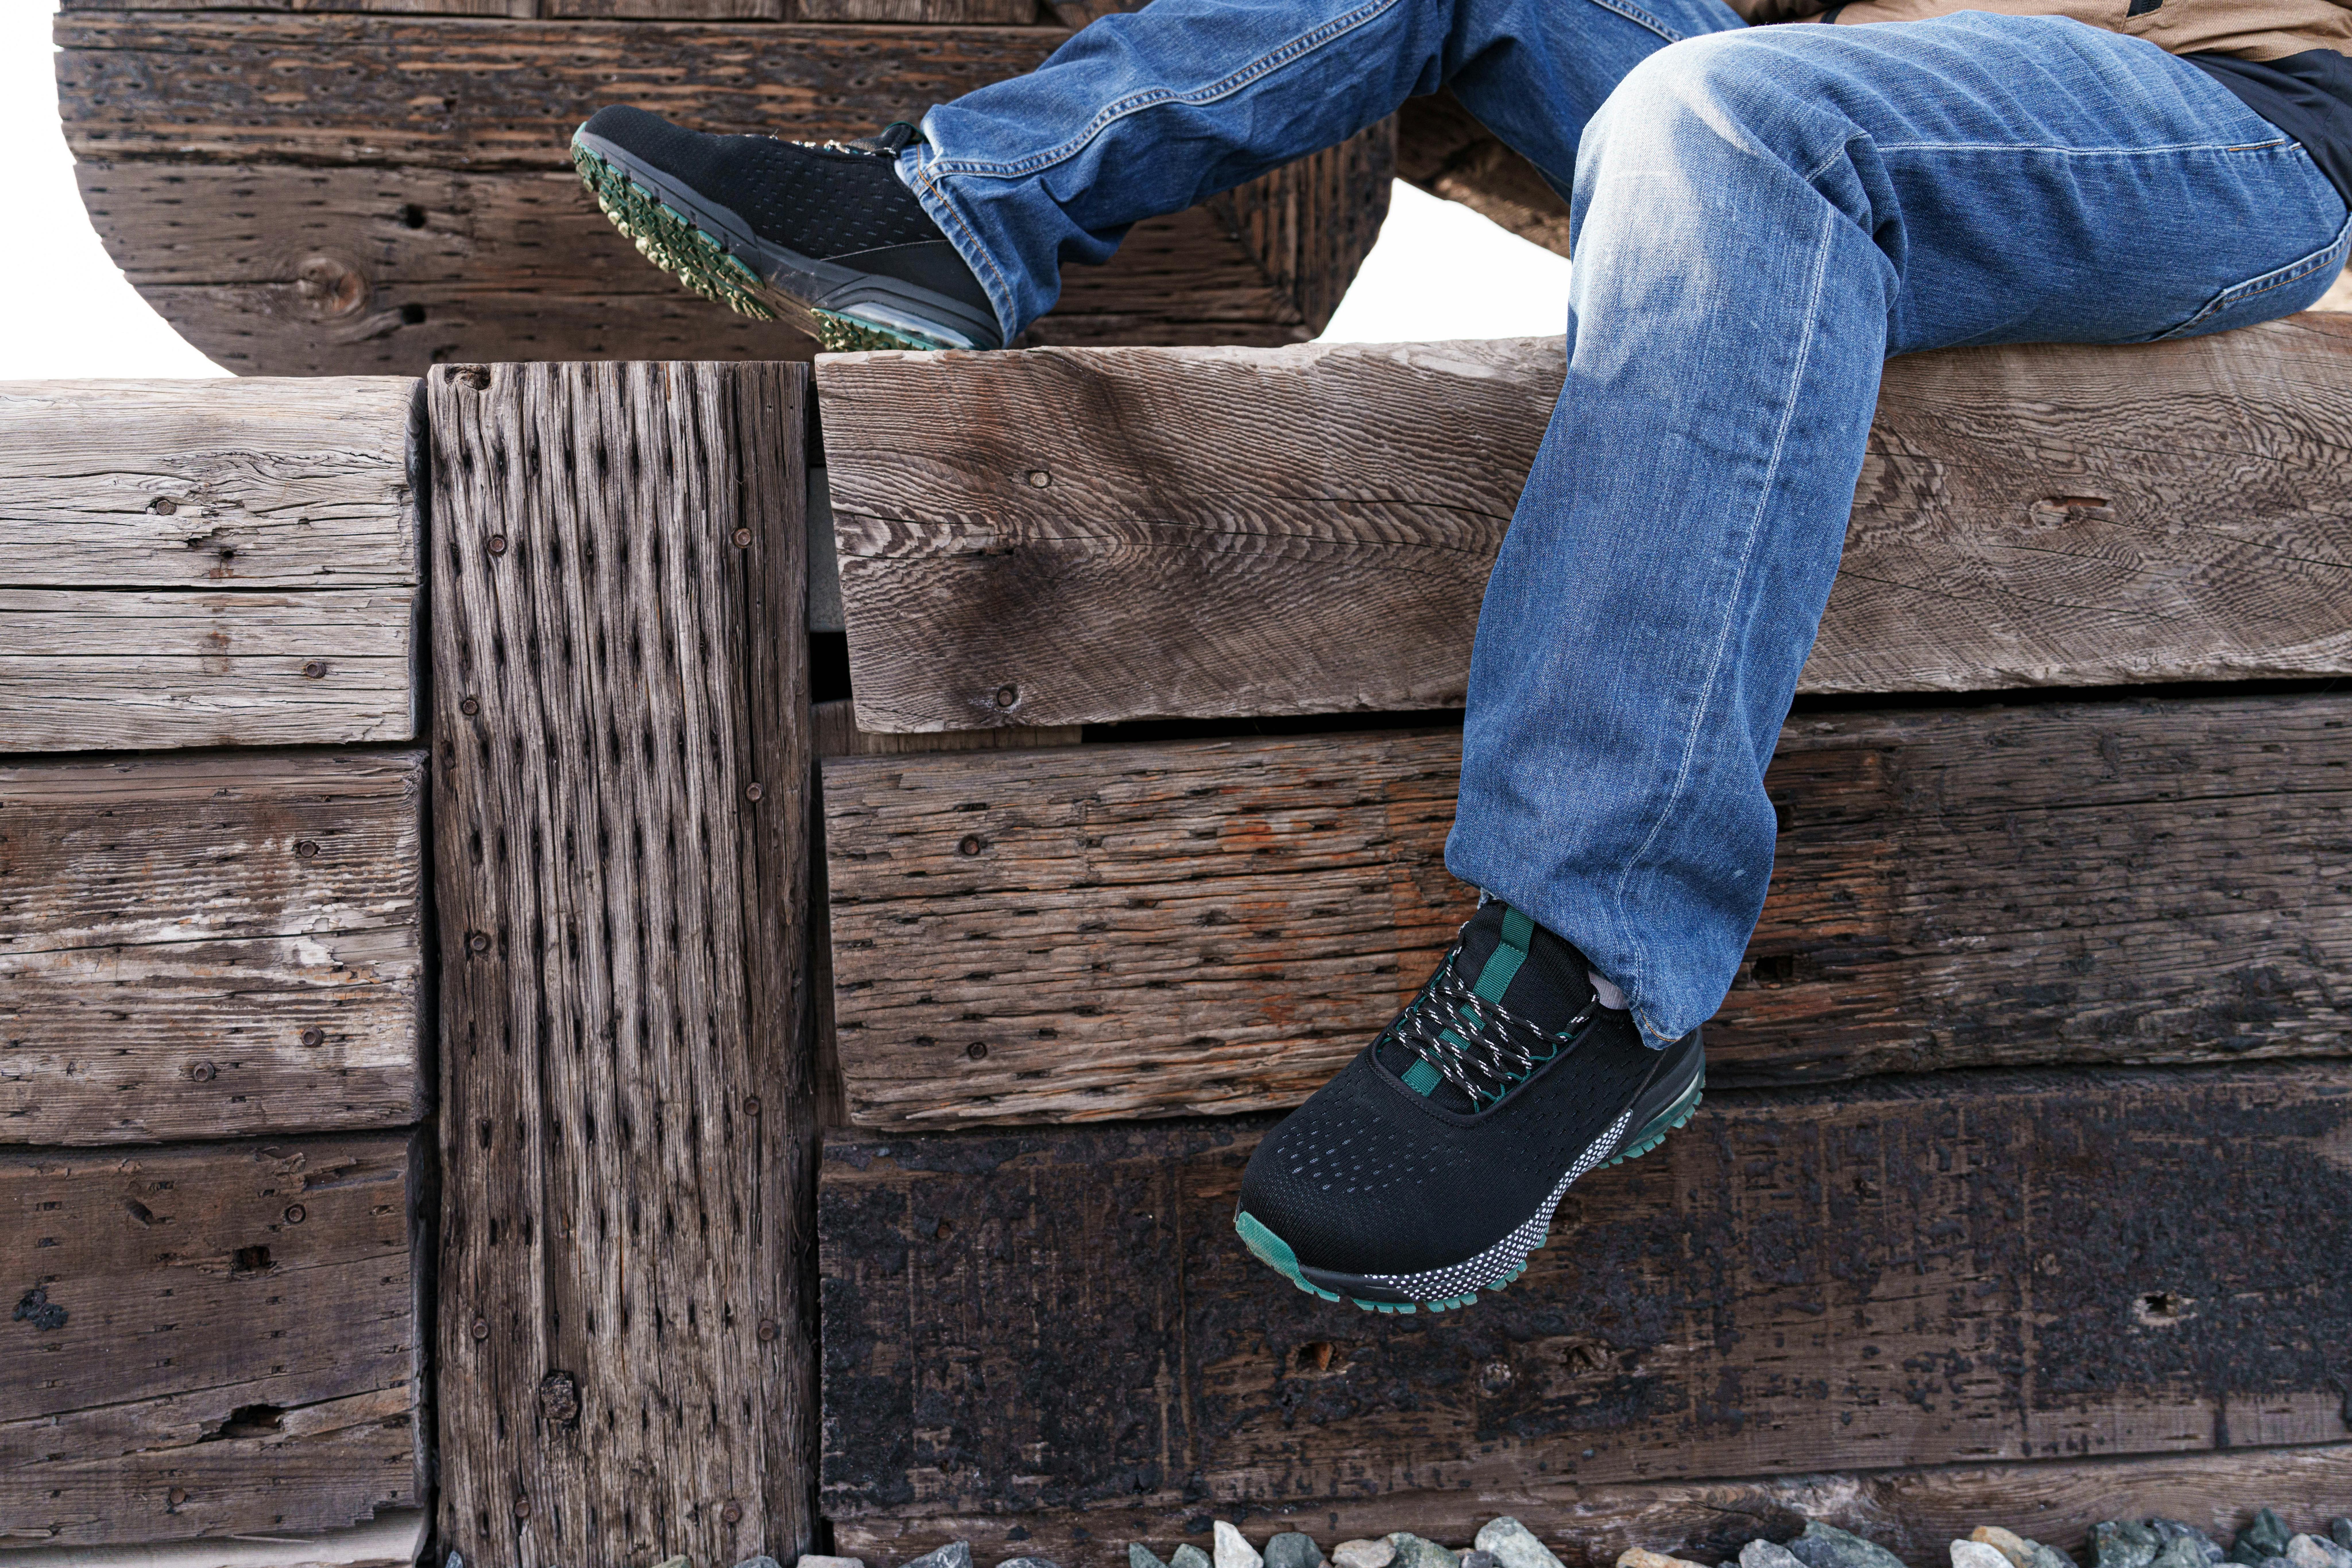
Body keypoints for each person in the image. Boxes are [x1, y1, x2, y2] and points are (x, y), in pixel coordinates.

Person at [568, 0, 2352, 1314]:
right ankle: (966, 207)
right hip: (1851, 87)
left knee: (1738, 121)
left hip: (2227, 120)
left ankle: (1593, 967)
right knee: (1712, 103)